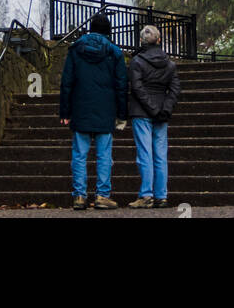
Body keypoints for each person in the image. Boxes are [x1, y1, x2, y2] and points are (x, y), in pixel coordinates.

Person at [59, 12, 128, 209]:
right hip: (106, 109)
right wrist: (122, 114)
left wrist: (65, 112)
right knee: (104, 154)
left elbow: (66, 82)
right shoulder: (115, 52)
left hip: (80, 108)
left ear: (90, 28)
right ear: (108, 30)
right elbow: (122, 85)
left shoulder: (75, 49)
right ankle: (102, 196)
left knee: (79, 154)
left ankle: (79, 196)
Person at [127, 25, 182, 209]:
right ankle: (161, 195)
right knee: (160, 155)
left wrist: (151, 108)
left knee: (145, 154)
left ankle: (146, 195)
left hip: (141, 112)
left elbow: (137, 88)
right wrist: (164, 109)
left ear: (142, 41)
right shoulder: (170, 64)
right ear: (159, 40)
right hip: (161, 113)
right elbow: (174, 90)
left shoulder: (137, 62)